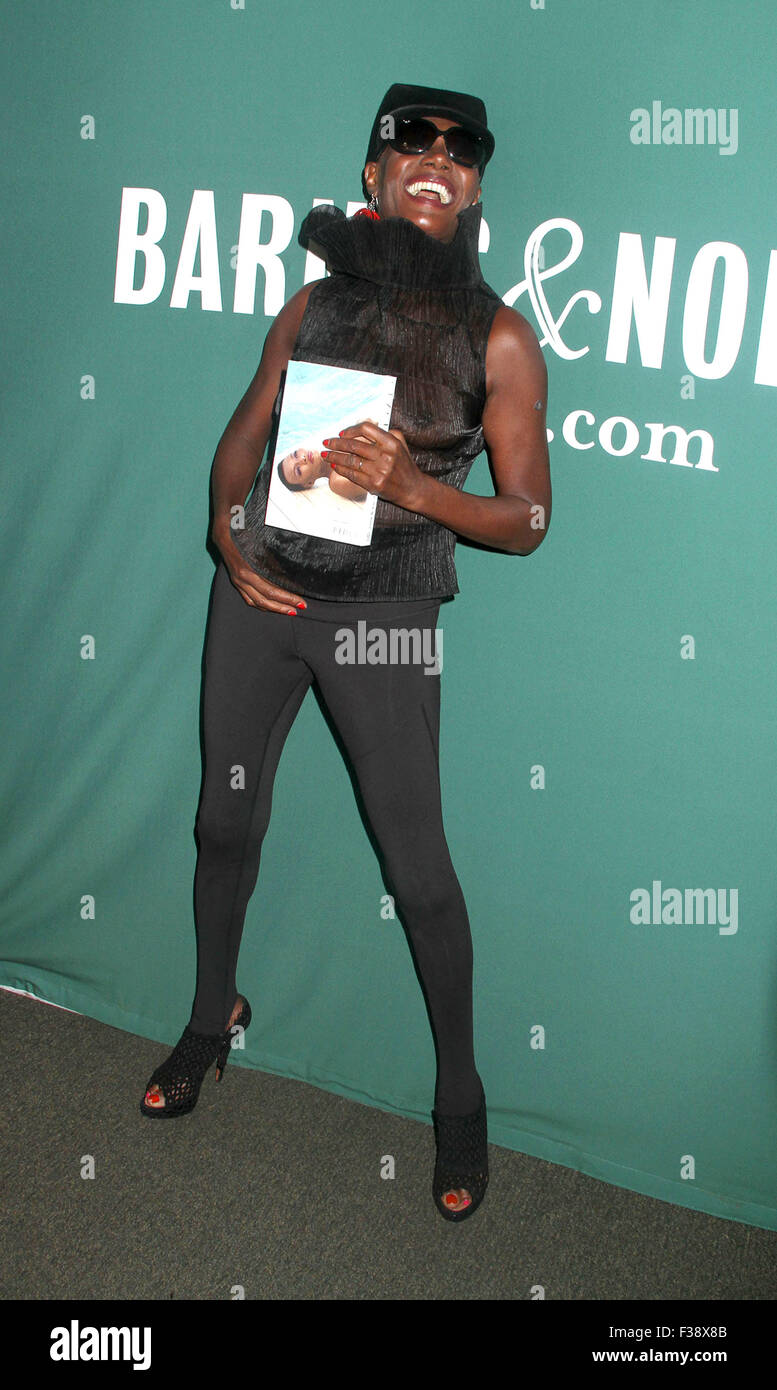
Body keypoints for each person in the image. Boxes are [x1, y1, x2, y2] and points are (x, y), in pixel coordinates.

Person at [140, 83, 551, 1223]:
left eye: (461, 149)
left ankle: (461, 1101)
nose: (435, 161)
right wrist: (227, 543)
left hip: (385, 621)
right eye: (409, 144)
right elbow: (243, 436)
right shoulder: (309, 303)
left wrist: (416, 486)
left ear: (475, 184)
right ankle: (208, 1018)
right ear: (372, 174)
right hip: (263, 602)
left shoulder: (500, 335)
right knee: (223, 820)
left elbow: (530, 518)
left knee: (419, 875)